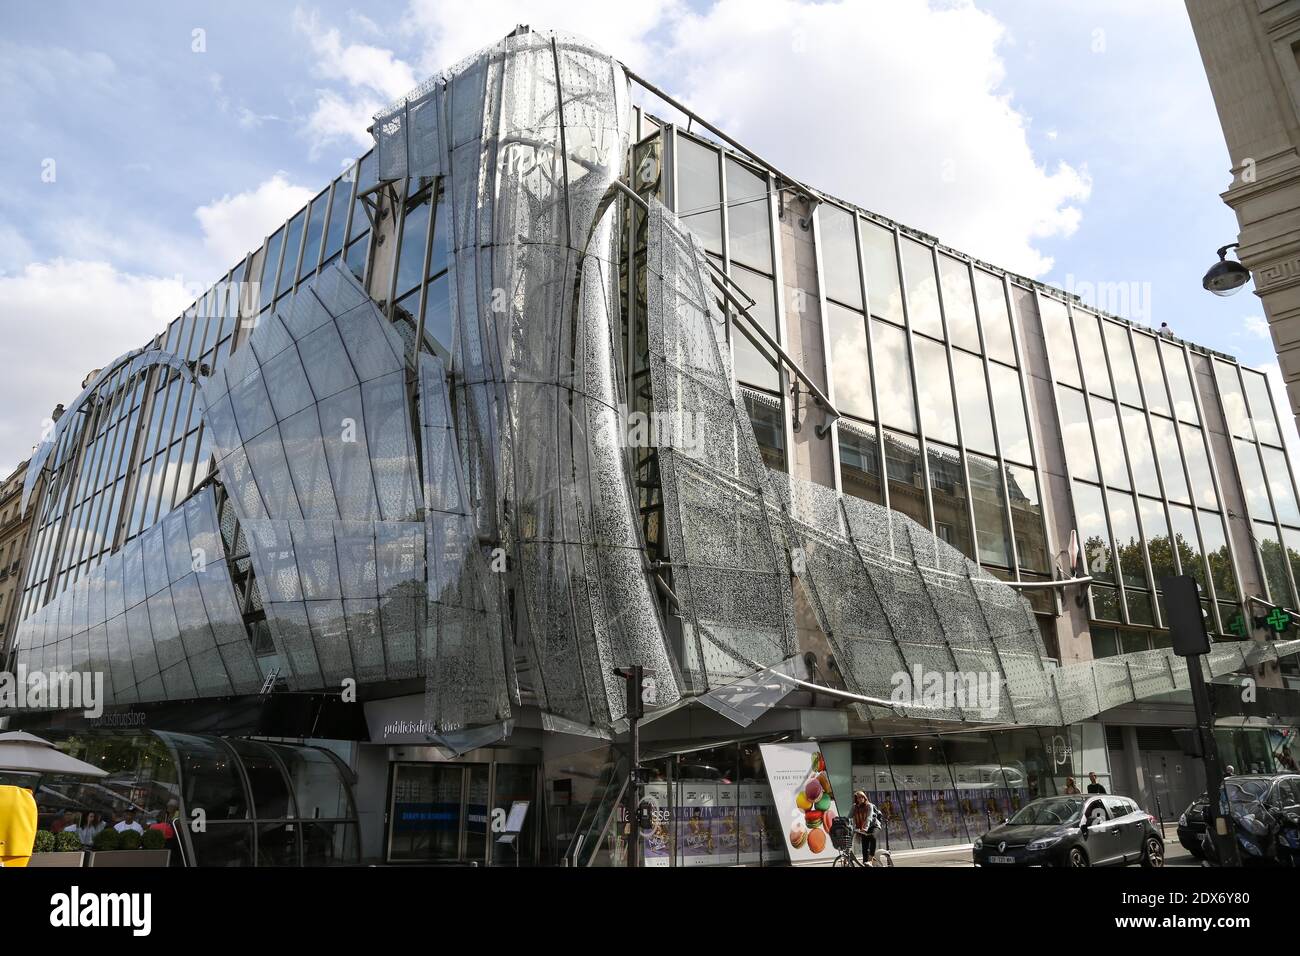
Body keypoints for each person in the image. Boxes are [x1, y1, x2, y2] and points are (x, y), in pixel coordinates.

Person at [851, 790, 880, 862]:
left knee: (872, 837)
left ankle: (871, 856)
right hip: (863, 828)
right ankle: (865, 863)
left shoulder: (869, 805)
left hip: (873, 826)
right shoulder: (854, 807)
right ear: (856, 799)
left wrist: (865, 828)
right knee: (864, 848)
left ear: (864, 798)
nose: (860, 799)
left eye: (862, 797)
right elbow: (848, 817)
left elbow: (869, 817)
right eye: (858, 798)